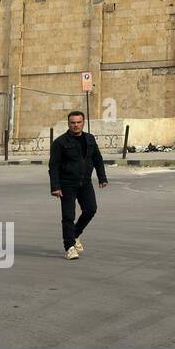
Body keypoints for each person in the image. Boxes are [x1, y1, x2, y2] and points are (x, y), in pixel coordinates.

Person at [48, 111, 107, 260]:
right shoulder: (60, 142)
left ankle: (74, 234)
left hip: (85, 182)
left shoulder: (90, 139)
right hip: (67, 183)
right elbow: (53, 166)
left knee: (91, 209)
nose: (75, 125)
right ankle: (69, 247)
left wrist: (102, 177)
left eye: (78, 122)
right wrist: (55, 186)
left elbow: (97, 159)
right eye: (72, 123)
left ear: (83, 122)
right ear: (68, 124)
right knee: (68, 216)